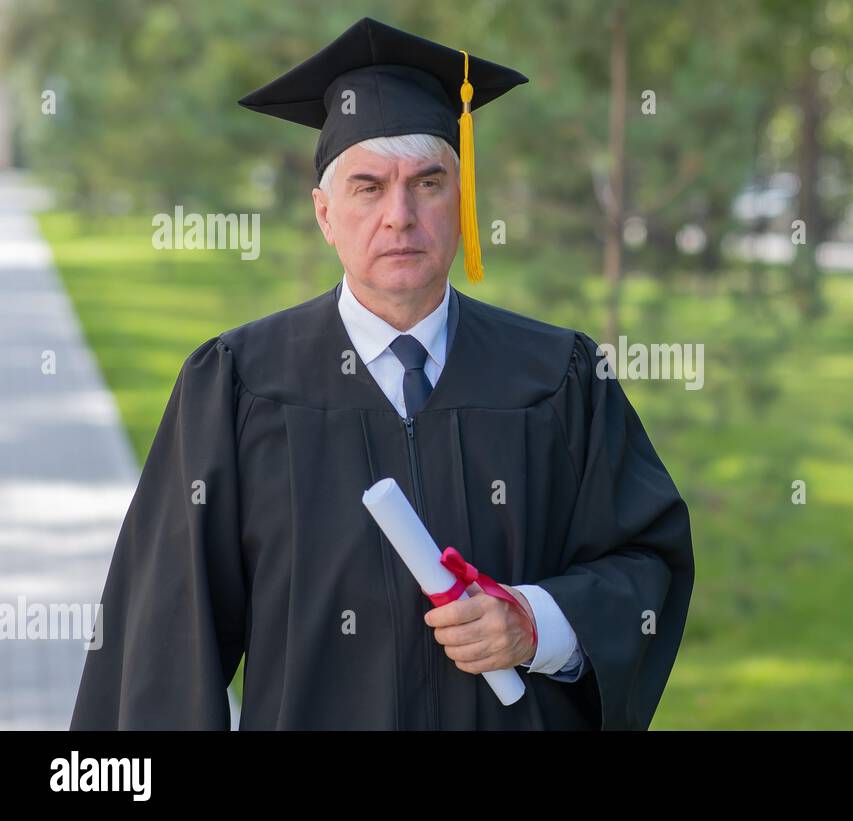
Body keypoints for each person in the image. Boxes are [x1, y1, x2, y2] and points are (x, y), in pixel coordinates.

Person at [70, 17, 693, 730]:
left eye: (428, 182)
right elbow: (163, 640)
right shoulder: (238, 386)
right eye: (368, 188)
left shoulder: (559, 377)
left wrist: (535, 622)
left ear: (462, 203)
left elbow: (645, 564)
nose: (400, 216)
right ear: (325, 214)